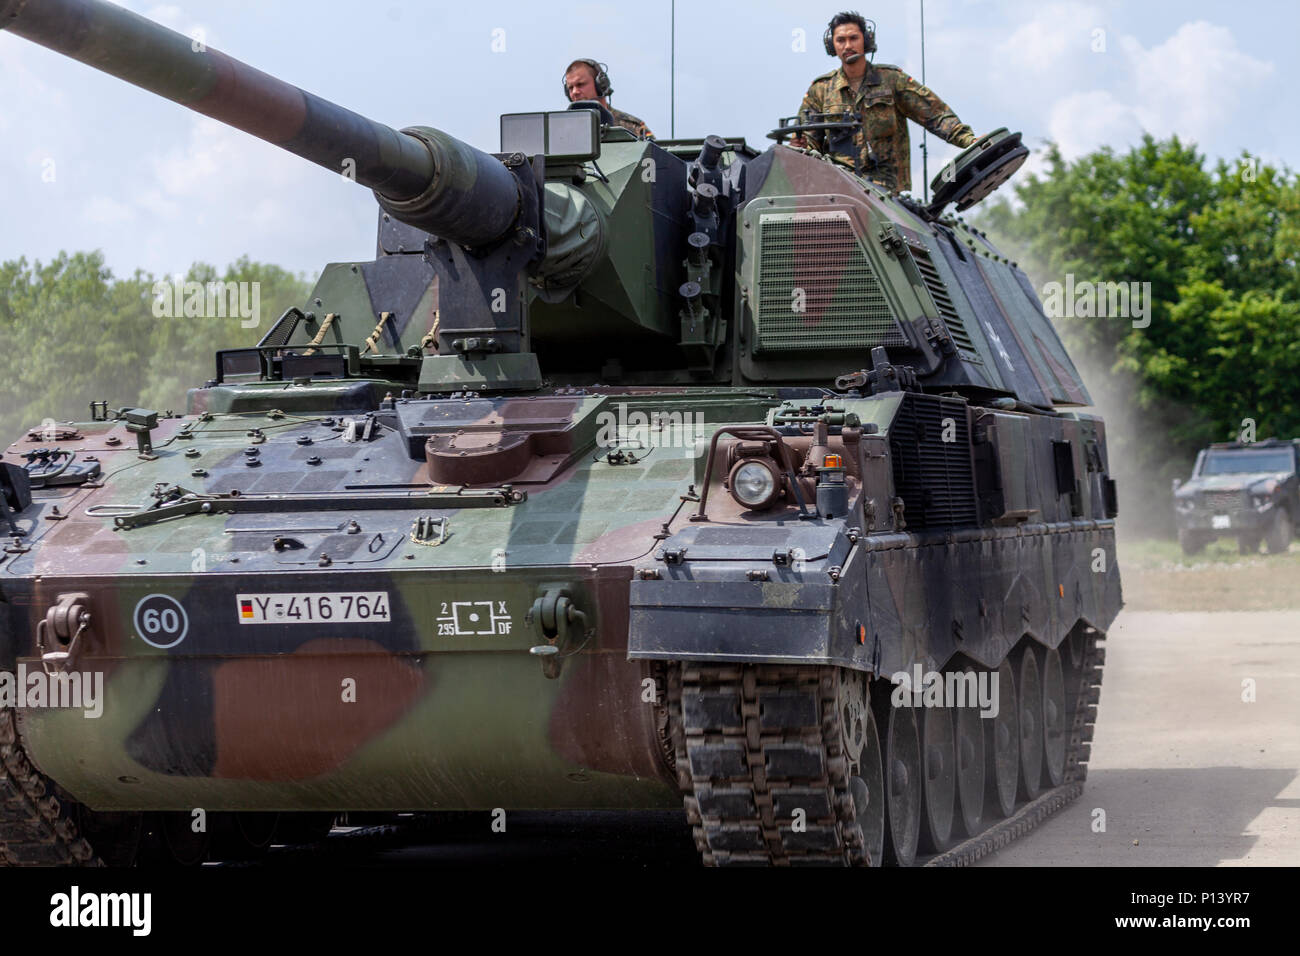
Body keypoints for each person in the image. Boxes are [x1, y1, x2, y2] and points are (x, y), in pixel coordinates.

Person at [793, 11, 975, 193]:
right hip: (840, 189)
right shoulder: (821, 89)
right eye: (841, 40)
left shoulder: (891, 80)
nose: (848, 45)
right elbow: (806, 140)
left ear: (866, 39)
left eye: (853, 38)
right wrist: (799, 146)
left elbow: (936, 115)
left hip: (887, 191)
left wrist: (970, 141)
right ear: (832, 45)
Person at [562, 58, 653, 140]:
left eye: (580, 84)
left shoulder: (634, 127)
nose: (574, 92)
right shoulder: (562, 130)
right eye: (570, 88)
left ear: (601, 85)